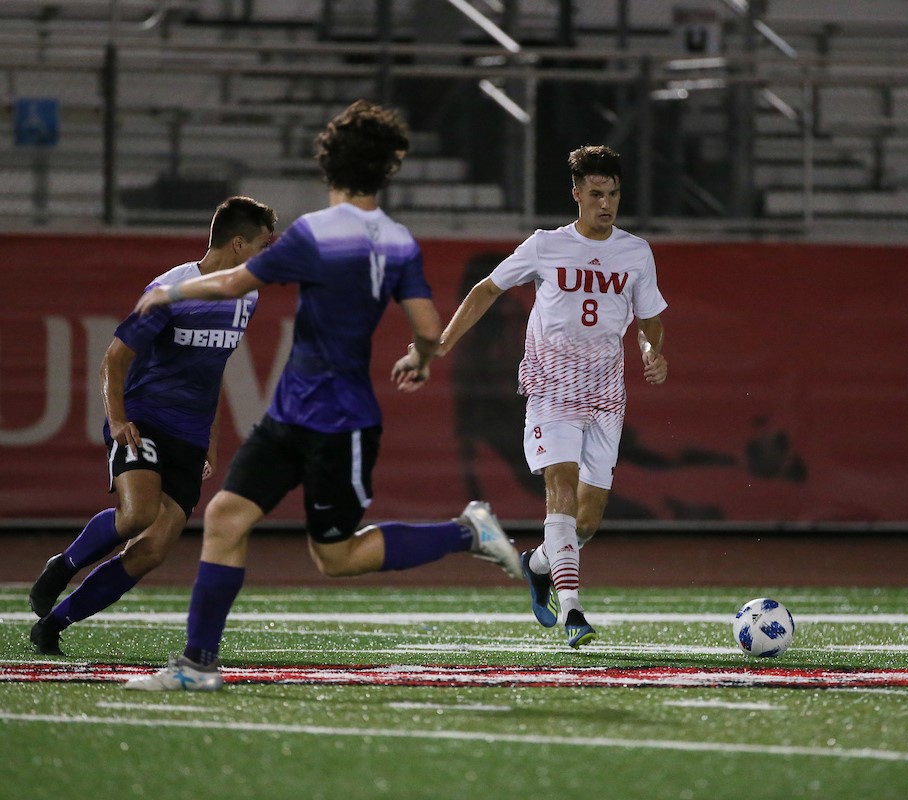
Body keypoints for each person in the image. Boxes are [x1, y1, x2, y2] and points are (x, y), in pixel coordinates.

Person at [123, 100, 520, 692]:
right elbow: (430, 330)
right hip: (301, 417)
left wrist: (168, 295)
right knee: (228, 516)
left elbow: (234, 280)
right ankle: (198, 665)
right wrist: (419, 357)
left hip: (333, 424)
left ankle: (466, 532)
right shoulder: (399, 242)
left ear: (329, 166)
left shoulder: (314, 232)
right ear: (387, 169)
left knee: (333, 557)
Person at [428, 144, 668, 648]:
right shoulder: (545, 245)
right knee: (559, 487)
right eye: (597, 194)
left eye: (614, 194)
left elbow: (650, 321)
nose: (607, 204)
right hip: (550, 386)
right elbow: (486, 291)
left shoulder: (635, 252)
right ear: (577, 194)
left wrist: (651, 349)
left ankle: (538, 564)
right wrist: (442, 343)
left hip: (605, 393)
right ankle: (574, 611)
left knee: (587, 521)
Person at [28, 196, 277, 656]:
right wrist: (118, 418)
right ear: (239, 243)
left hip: (190, 432)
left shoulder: (249, 297)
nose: (271, 252)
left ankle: (54, 624)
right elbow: (115, 359)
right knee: (139, 515)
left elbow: (213, 369)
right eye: (265, 243)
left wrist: (211, 441)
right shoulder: (170, 290)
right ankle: (62, 566)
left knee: (152, 551)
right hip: (144, 418)